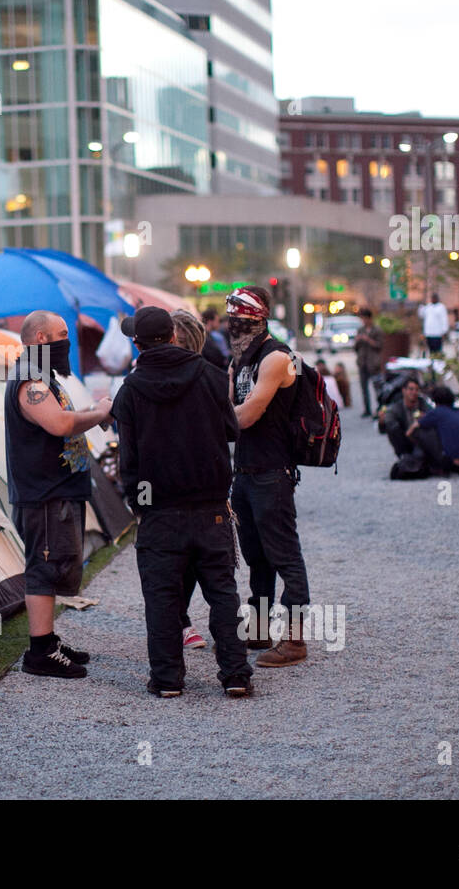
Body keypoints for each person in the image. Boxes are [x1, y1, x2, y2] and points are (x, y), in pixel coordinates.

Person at [112, 307, 251, 698]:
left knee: (161, 597)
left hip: (158, 509)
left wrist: (139, 505)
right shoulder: (209, 374)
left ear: (137, 343)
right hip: (210, 506)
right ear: (173, 336)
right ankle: (236, 673)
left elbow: (129, 460)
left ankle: (168, 679)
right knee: (223, 593)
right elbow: (231, 429)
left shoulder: (132, 390)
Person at [4, 310, 113, 679]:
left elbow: (62, 416)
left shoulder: (43, 376)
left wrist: (92, 412)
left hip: (58, 490)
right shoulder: (29, 380)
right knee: (44, 569)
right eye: (61, 334)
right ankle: (39, 654)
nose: (67, 341)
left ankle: (48, 641)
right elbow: (59, 423)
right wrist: (98, 413)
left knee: (57, 566)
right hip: (44, 494)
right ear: (39, 339)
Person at [227, 286, 311, 667]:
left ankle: (294, 640)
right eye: (232, 320)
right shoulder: (239, 361)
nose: (234, 327)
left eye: (240, 320)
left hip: (273, 471)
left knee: (284, 554)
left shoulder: (276, 357)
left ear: (258, 320)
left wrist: (208, 425)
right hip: (244, 471)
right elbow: (229, 406)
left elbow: (248, 413)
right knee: (256, 556)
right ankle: (259, 629)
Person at [169, 309, 222, 651]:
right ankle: (181, 622)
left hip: (201, 484)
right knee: (177, 561)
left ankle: (197, 625)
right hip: (168, 485)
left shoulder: (207, 372)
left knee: (202, 562)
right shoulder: (147, 374)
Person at [407, 385, 459, 474]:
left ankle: (429, 464)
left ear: (435, 400)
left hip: (454, 464)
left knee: (422, 431)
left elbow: (410, 432)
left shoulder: (437, 412)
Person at [378, 377, 432, 458]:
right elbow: (384, 429)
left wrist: (425, 419)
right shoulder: (396, 407)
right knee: (392, 427)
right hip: (405, 442)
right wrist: (382, 421)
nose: (414, 392)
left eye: (416, 390)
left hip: (422, 442)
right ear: (404, 390)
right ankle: (404, 455)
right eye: (411, 389)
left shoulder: (424, 405)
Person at [352, 309, 385, 418]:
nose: (363, 321)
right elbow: (355, 348)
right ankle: (367, 409)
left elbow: (380, 346)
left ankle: (379, 409)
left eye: (365, 318)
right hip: (362, 362)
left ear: (370, 318)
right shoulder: (360, 330)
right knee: (363, 388)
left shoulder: (377, 330)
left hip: (373, 363)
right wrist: (357, 340)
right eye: (362, 318)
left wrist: (368, 340)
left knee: (377, 387)